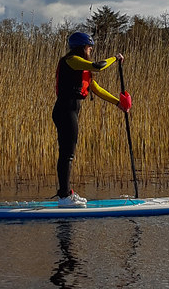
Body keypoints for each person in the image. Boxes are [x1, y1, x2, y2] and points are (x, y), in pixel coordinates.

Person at [52, 31, 132, 207]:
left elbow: (96, 88)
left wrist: (119, 103)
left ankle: (66, 194)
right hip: (65, 110)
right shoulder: (71, 60)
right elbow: (99, 65)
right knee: (67, 154)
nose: (90, 50)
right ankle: (64, 197)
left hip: (72, 110)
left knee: (69, 153)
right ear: (82, 47)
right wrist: (115, 58)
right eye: (89, 47)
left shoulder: (83, 68)